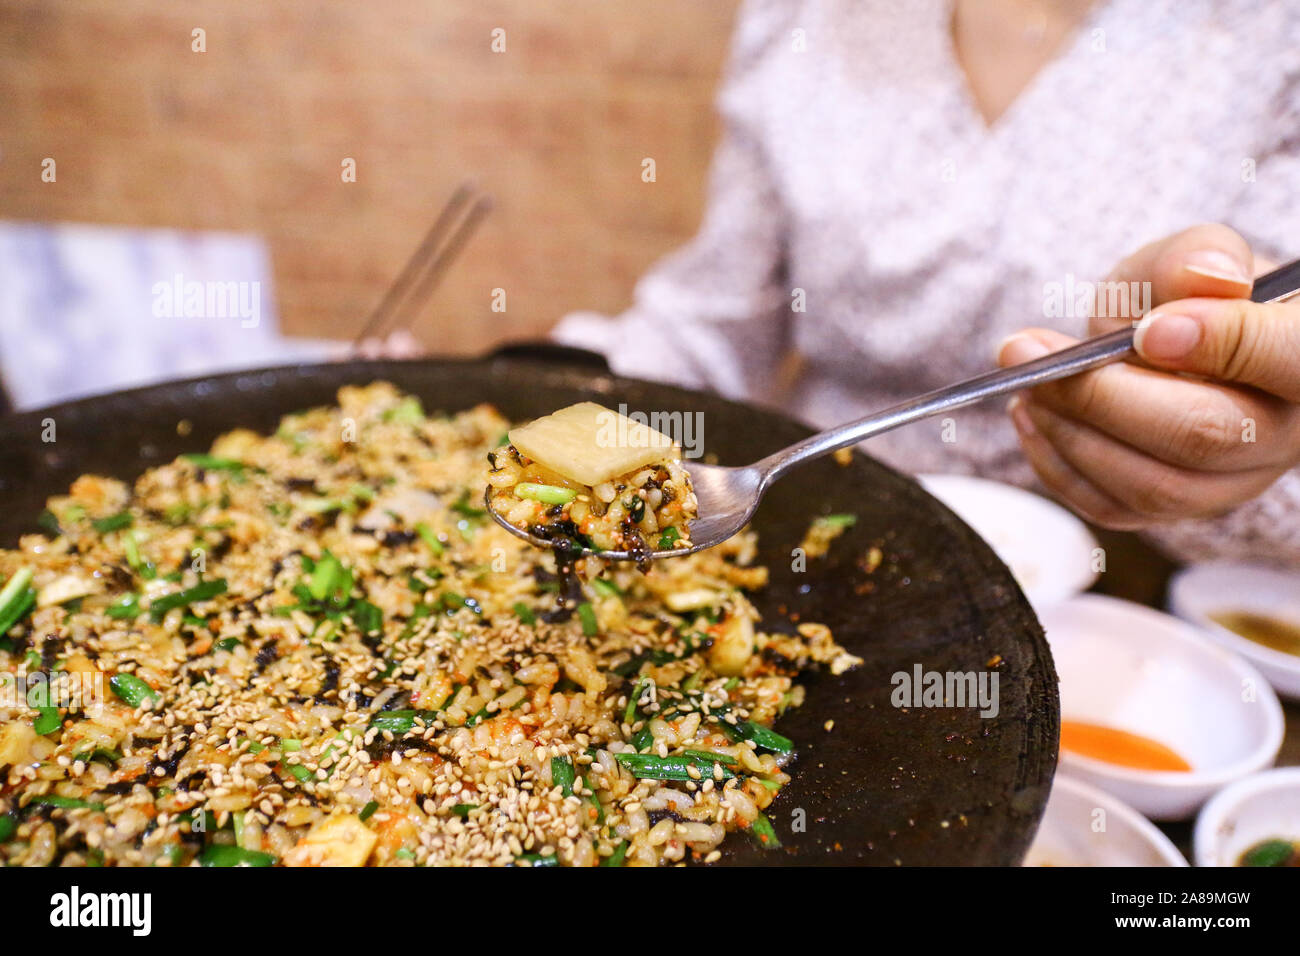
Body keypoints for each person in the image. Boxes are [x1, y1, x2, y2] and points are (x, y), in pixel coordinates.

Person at [553, 0, 1300, 563]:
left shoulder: (1271, 36)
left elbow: (1263, 374)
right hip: (814, 535)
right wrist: (548, 398)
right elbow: (712, 325)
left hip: (1127, 589)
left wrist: (1246, 426)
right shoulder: (812, 17)